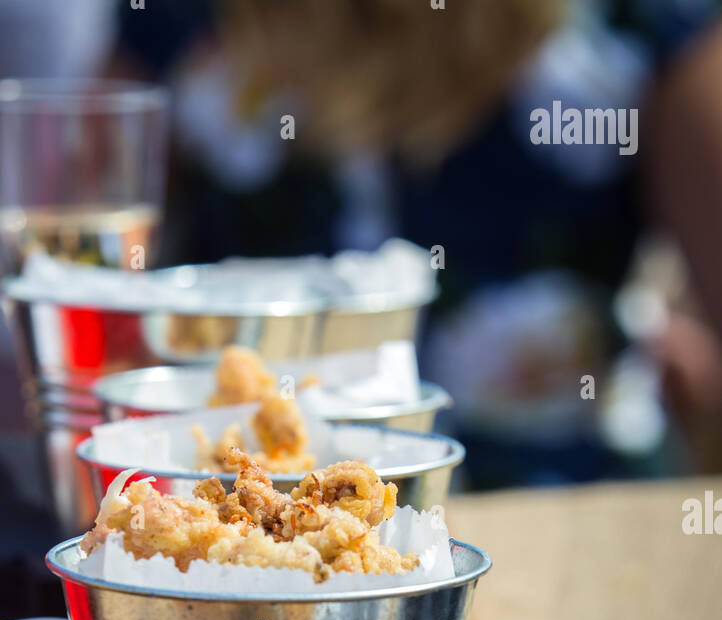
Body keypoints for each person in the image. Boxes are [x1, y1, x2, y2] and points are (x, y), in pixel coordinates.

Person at [113, 0, 722, 488]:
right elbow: (95, 291)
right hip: (252, 523)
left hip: (564, 530)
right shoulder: (181, 16)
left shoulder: (645, 22)